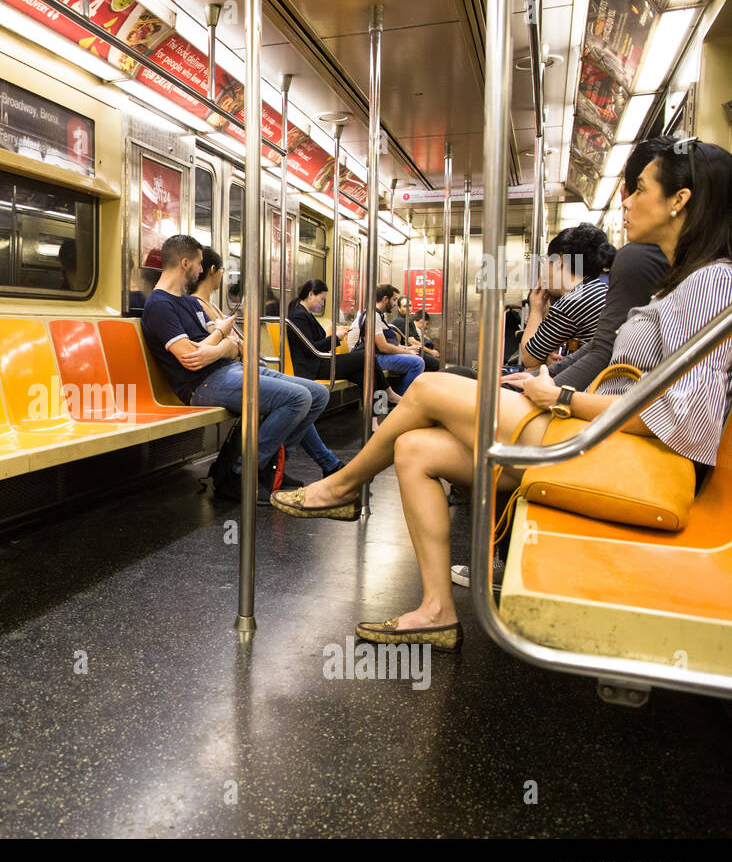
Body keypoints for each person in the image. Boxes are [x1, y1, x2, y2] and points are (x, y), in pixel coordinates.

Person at [269, 139, 732, 652]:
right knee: (413, 449)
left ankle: (342, 487)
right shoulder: (678, 283)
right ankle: (437, 611)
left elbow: (689, 419)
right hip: (600, 438)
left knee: (424, 385)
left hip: (610, 446)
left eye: (640, 189)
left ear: (680, 200)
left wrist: (563, 399)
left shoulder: (711, 283)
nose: (626, 201)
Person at [139, 234, 335, 492]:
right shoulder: (159, 305)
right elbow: (192, 358)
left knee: (318, 394)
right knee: (298, 398)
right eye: (198, 263)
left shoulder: (187, 303)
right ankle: (242, 472)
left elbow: (231, 347)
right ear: (185, 263)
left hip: (228, 370)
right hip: (202, 384)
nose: (201, 269)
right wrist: (222, 340)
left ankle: (268, 465)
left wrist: (222, 347)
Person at [499, 138, 673, 395]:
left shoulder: (582, 295)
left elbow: (531, 356)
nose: (626, 203)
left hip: (599, 398)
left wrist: (536, 310)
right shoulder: (602, 285)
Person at [187, 247, 345, 479]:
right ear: (212, 271)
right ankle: (255, 469)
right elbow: (223, 348)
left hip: (235, 369)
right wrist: (231, 346)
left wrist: (233, 346)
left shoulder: (215, 307)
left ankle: (277, 465)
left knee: (313, 395)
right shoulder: (196, 306)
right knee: (298, 398)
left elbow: (241, 346)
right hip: (216, 378)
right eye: (221, 270)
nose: (222, 275)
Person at [518, 224, 615, 369]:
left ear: (559, 261)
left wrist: (536, 309)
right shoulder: (595, 289)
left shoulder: (575, 300)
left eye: (546, 261)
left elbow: (529, 358)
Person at [285, 279, 390, 395]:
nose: (323, 303)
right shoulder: (299, 316)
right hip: (311, 367)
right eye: (322, 299)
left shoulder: (306, 313)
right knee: (367, 356)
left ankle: (376, 409)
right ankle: (388, 393)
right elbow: (311, 348)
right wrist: (335, 338)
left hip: (319, 362)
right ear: (311, 295)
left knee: (363, 375)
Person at [354, 284, 426, 400]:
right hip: (373, 357)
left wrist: (406, 349)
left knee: (417, 358)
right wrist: (406, 352)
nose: (394, 304)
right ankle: (401, 398)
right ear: (385, 299)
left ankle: (401, 395)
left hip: (378, 355)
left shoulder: (379, 316)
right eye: (394, 300)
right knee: (418, 363)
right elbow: (383, 347)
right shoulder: (374, 316)